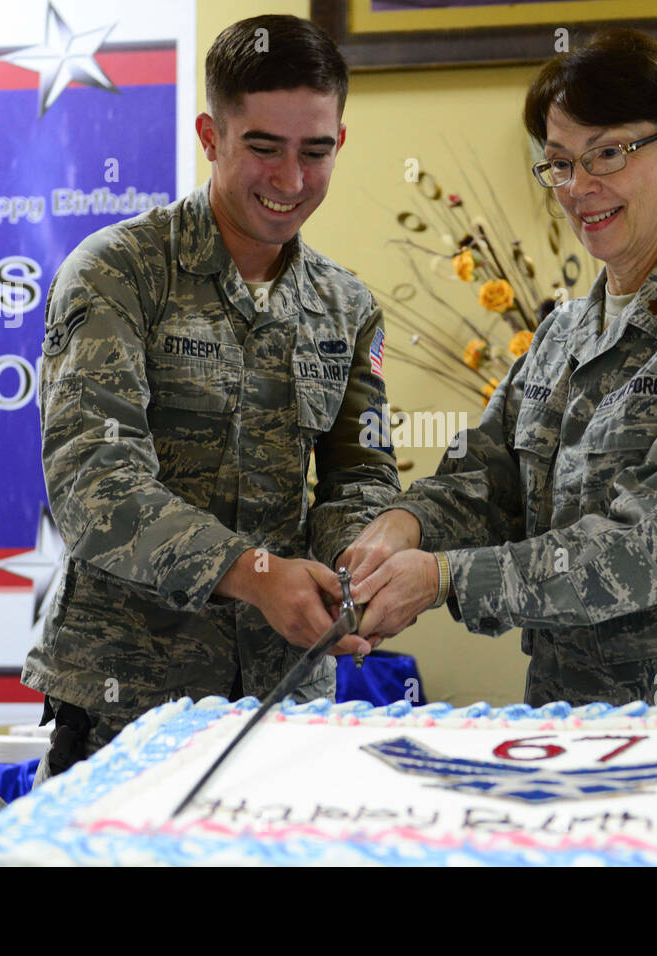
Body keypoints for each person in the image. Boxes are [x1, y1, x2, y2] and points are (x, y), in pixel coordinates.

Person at [341, 28, 657, 708]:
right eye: (559, 163)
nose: (579, 187)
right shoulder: (560, 335)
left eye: (607, 153)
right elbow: (484, 485)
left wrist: (444, 578)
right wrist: (405, 526)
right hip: (575, 715)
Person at [23, 15, 400, 781]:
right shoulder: (117, 274)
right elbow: (94, 486)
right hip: (129, 704)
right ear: (210, 135)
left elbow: (360, 477)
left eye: (315, 151)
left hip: (287, 697)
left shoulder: (346, 306)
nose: (291, 181)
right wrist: (256, 574)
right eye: (264, 148)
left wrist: (363, 566)